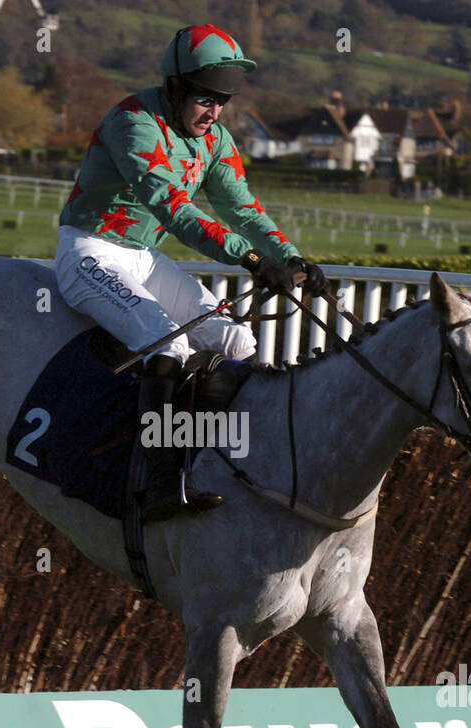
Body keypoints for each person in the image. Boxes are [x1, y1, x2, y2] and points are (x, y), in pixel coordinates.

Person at [54, 23, 329, 523]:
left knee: (237, 342)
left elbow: (242, 209)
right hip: (90, 251)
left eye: (222, 101)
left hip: (142, 258)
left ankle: (224, 460)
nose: (214, 112)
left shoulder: (216, 140)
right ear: (176, 86)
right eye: (206, 98)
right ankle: (157, 483)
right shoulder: (133, 122)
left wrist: (292, 259)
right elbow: (174, 209)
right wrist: (250, 259)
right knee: (170, 345)